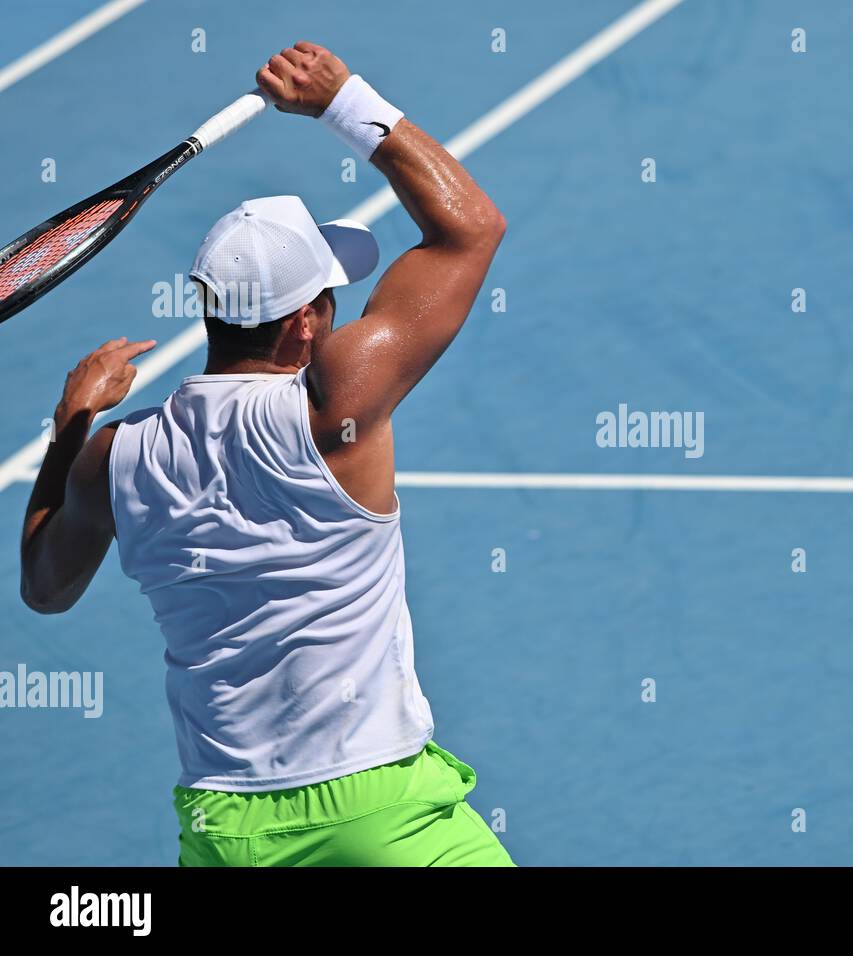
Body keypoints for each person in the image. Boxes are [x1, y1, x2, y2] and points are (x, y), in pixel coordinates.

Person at [18, 41, 512, 866]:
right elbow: (471, 231)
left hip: (224, 831)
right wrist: (341, 99)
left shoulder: (112, 457)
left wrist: (69, 427)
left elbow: (45, 587)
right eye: (327, 296)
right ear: (305, 324)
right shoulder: (336, 406)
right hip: (379, 819)